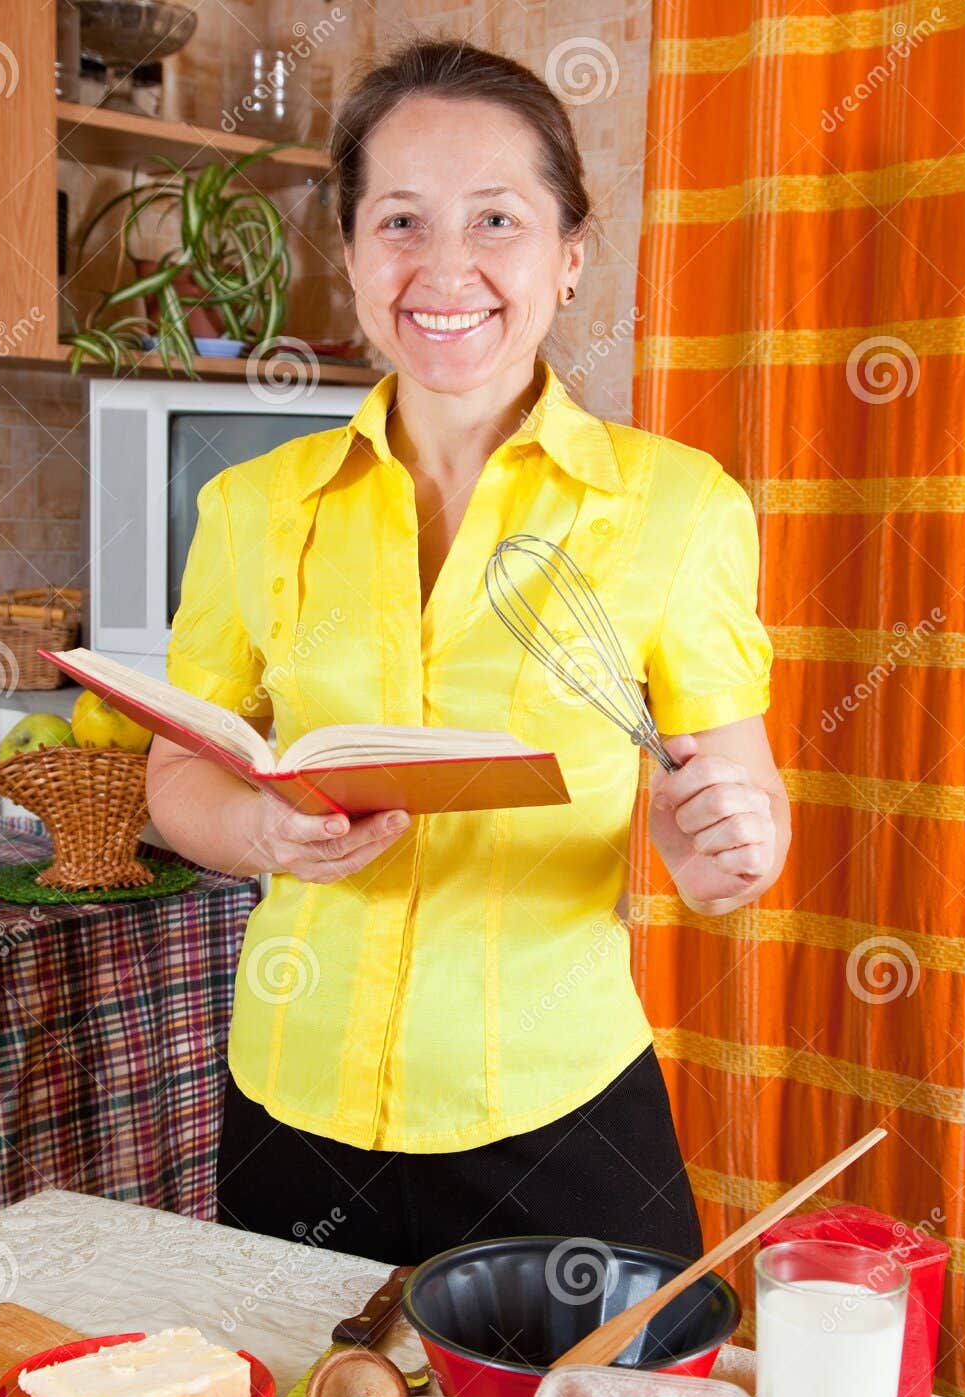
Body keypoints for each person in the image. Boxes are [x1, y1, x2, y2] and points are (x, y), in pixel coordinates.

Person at [147, 37, 791, 1269]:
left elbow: (735, 841)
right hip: (296, 1103)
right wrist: (260, 832)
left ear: (568, 254)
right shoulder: (248, 508)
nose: (445, 269)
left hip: (559, 1113)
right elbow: (177, 774)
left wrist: (720, 849)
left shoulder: (679, 506)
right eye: (399, 221)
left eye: (496, 219)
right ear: (350, 254)